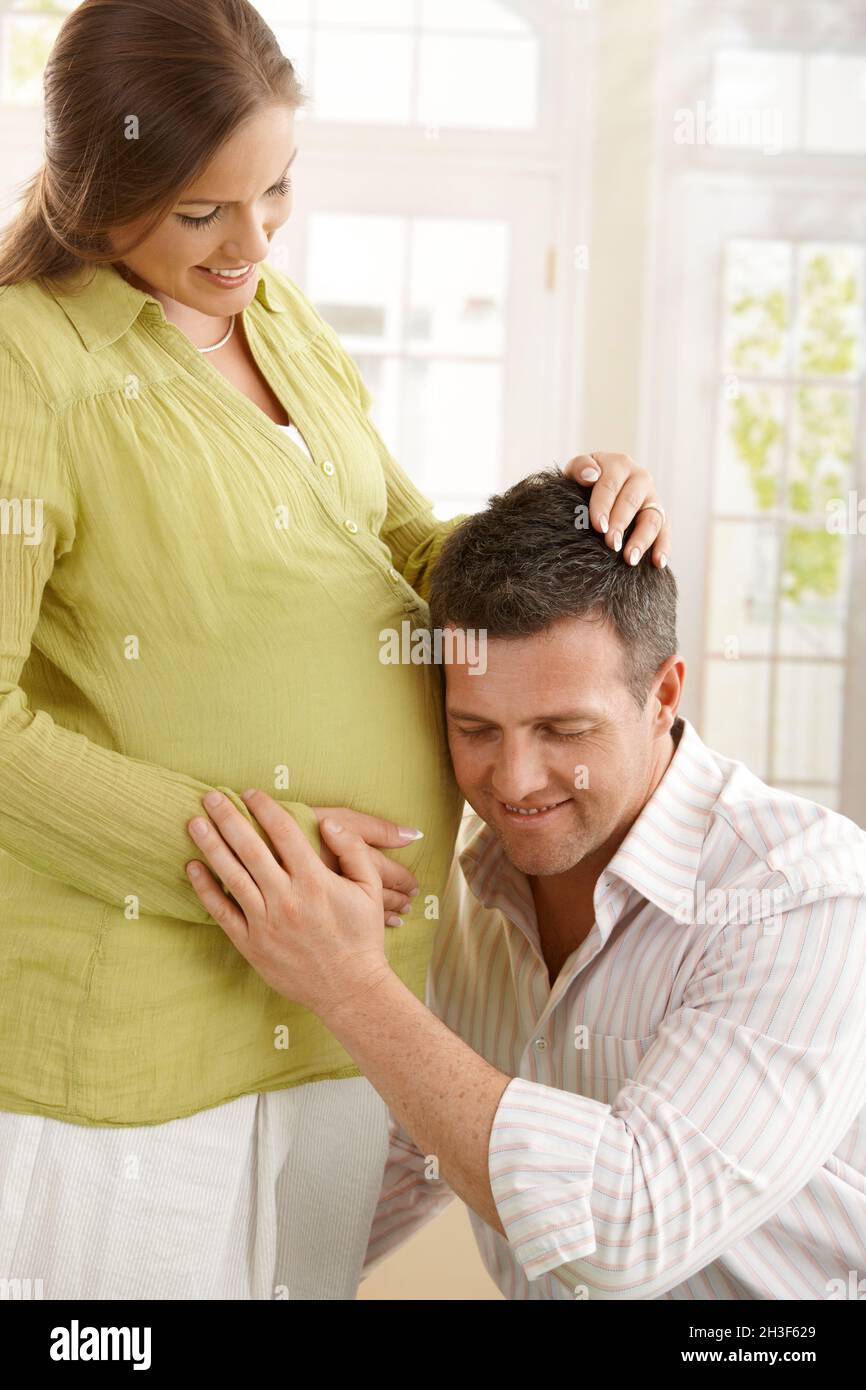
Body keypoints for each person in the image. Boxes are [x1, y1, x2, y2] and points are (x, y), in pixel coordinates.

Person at [0, 0, 670, 1299]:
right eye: (203, 210)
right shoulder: (25, 366)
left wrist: (571, 512)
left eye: (276, 191)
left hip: (343, 999)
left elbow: (405, 545)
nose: (251, 242)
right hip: (134, 1020)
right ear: (98, 183)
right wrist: (264, 857)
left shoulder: (277, 319)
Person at [186, 472, 866, 1301]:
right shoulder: (463, 897)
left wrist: (351, 987)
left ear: (664, 696)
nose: (513, 780)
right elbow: (413, 1147)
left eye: (563, 730)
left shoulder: (805, 895)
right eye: (476, 729)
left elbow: (625, 1231)